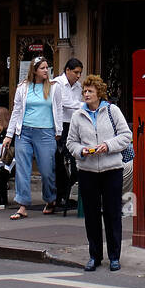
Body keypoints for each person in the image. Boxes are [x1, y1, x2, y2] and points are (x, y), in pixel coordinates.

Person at [66, 75, 133, 271]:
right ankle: (94, 256)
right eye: (85, 91)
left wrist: (108, 145)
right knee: (92, 215)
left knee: (112, 214)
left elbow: (126, 136)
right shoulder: (78, 115)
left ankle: (114, 256)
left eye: (90, 91)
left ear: (99, 94)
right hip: (87, 170)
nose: (86, 94)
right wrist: (81, 151)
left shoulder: (112, 111)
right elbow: (71, 142)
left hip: (111, 169)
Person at [3, 58, 63, 219]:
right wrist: (9, 135)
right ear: (34, 70)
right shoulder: (23, 87)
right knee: (22, 169)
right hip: (24, 132)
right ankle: (22, 205)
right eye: (42, 68)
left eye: (47, 67)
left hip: (46, 132)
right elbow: (16, 111)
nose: (46, 70)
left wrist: (59, 130)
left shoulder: (54, 87)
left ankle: (50, 199)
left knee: (46, 169)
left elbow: (58, 108)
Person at [51, 58, 85, 213]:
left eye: (80, 73)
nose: (78, 76)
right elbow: (64, 103)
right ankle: (59, 195)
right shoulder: (57, 83)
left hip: (73, 125)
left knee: (71, 159)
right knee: (59, 160)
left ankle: (65, 193)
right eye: (76, 72)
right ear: (68, 71)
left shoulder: (78, 87)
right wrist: (83, 105)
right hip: (59, 124)